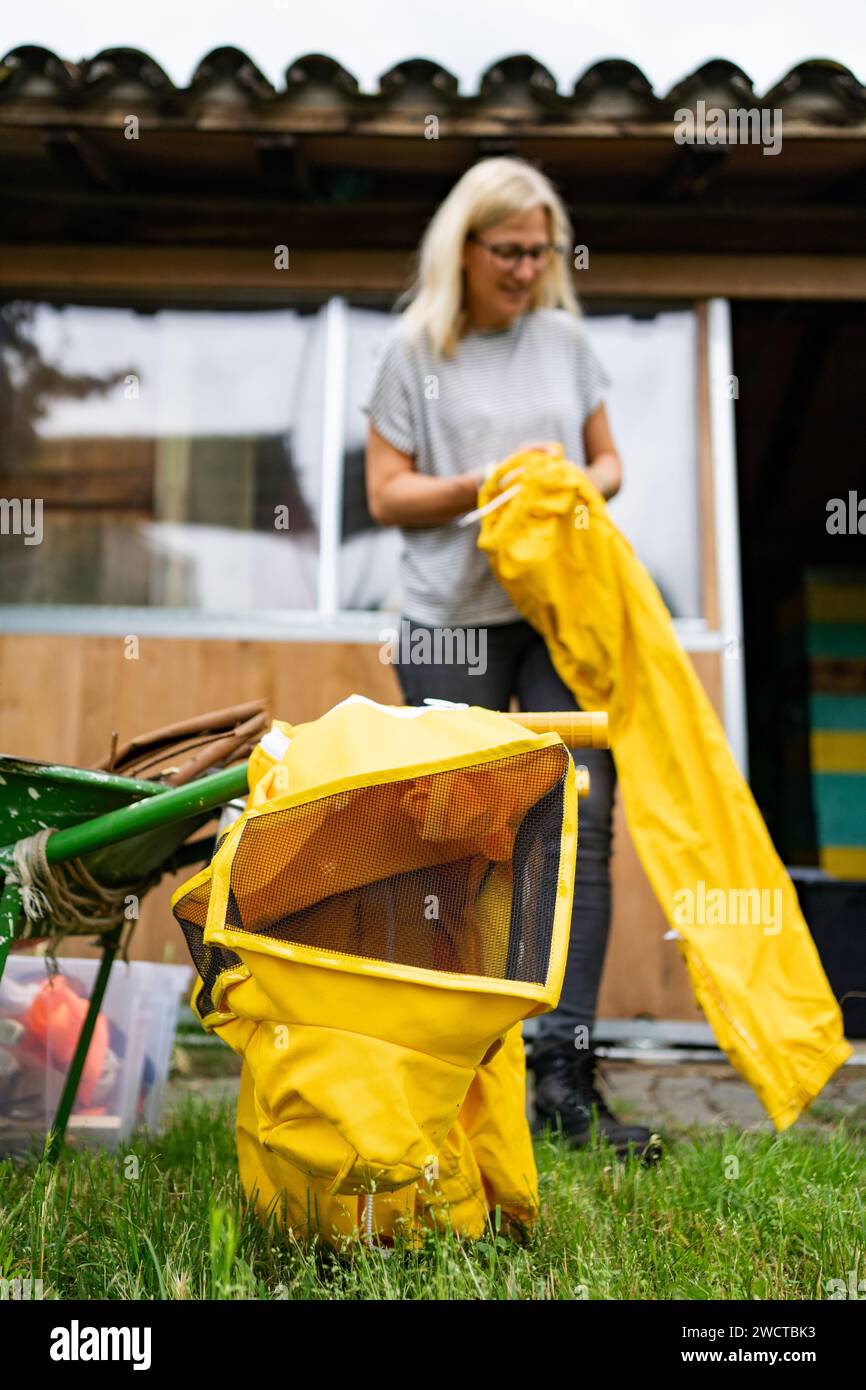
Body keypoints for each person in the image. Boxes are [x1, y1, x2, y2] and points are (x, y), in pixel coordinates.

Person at [361, 155, 654, 1159]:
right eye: (509, 251)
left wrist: (574, 482)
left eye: (541, 251)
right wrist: (483, 486)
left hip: (556, 612)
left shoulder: (564, 343)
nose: (528, 269)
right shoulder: (411, 350)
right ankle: (459, 1072)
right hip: (450, 619)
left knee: (581, 820)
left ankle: (564, 1079)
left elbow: (610, 460)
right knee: (463, 836)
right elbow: (385, 494)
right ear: (466, 248)